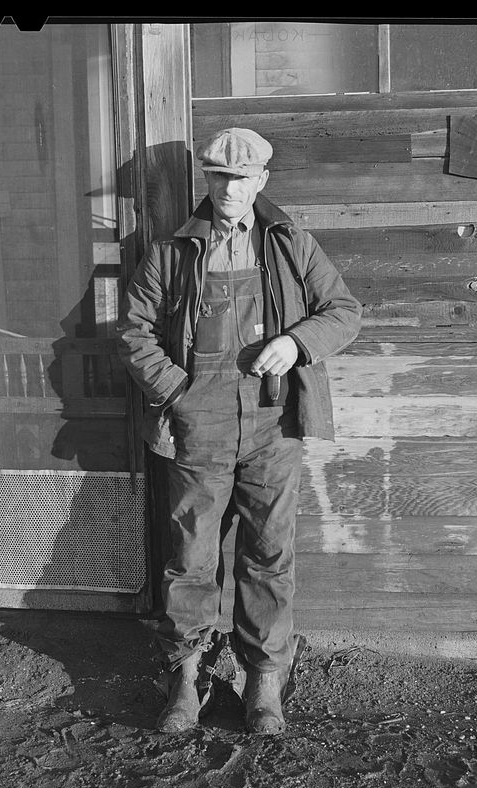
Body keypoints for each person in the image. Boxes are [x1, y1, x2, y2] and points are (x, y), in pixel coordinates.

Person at [115, 127, 361, 735]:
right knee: (190, 555)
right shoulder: (172, 253)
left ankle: (264, 678)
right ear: (206, 178)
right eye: (219, 176)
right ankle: (186, 673)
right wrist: (179, 392)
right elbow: (135, 332)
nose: (229, 188)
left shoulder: (290, 244)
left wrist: (295, 343)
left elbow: (343, 311)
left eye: (241, 177)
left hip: (274, 423)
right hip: (197, 425)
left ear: (262, 180)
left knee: (269, 554)